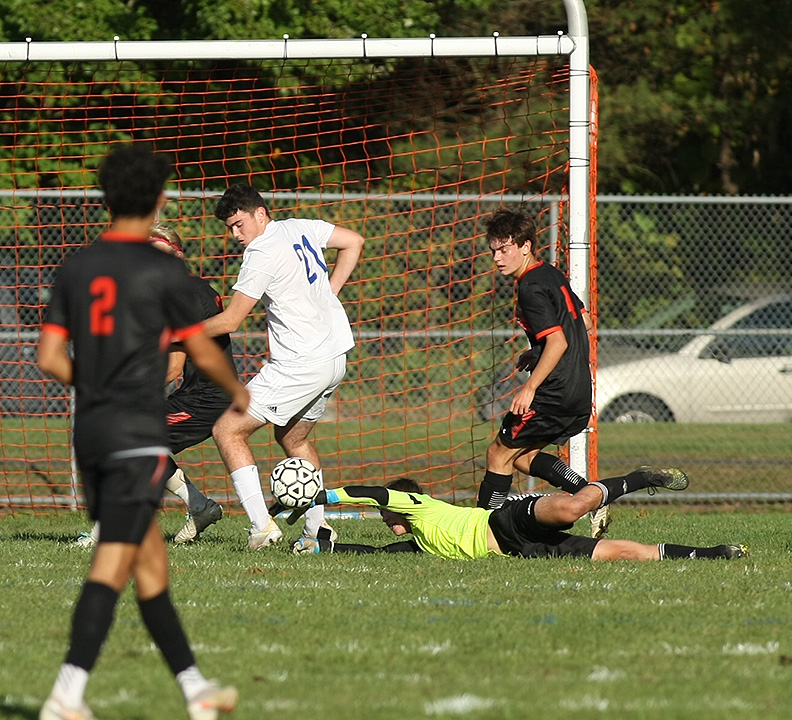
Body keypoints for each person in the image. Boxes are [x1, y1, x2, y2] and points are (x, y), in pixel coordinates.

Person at [36, 145, 246, 720]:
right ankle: (66, 695)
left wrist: (94, 381)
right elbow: (199, 344)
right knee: (114, 563)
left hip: (94, 434)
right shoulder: (162, 269)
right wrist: (239, 389)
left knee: (151, 566)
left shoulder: (75, 267)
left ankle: (196, 692)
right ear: (157, 201)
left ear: (105, 199)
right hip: (135, 431)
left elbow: (50, 356)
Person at [203, 183, 364, 551]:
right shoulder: (299, 226)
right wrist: (330, 291)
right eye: (229, 228)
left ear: (260, 213)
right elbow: (354, 240)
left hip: (301, 363)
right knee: (292, 438)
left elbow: (231, 321)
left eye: (239, 224)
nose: (235, 235)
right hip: (335, 357)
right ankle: (317, 531)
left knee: (228, 430)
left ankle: (262, 527)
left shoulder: (261, 251)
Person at [77, 222, 236, 547]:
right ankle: (200, 507)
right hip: (205, 394)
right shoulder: (195, 287)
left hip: (206, 400)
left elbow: (174, 366)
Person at [475, 207, 609, 538]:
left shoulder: (529, 287)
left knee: (498, 453)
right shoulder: (550, 274)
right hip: (579, 391)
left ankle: (481, 531)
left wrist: (530, 387)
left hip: (553, 392)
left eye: (505, 249)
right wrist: (534, 352)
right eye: (493, 250)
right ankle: (588, 494)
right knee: (523, 457)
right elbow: (586, 321)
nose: (497, 258)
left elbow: (559, 341)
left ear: (526, 246)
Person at [288, 474, 748, 562]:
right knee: (624, 553)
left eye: (389, 512)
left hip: (505, 523)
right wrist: (320, 546)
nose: (387, 517)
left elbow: (369, 494)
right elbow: (373, 552)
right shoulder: (419, 544)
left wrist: (316, 498)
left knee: (572, 506)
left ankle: (634, 478)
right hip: (522, 552)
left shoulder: (420, 507)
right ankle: (714, 553)